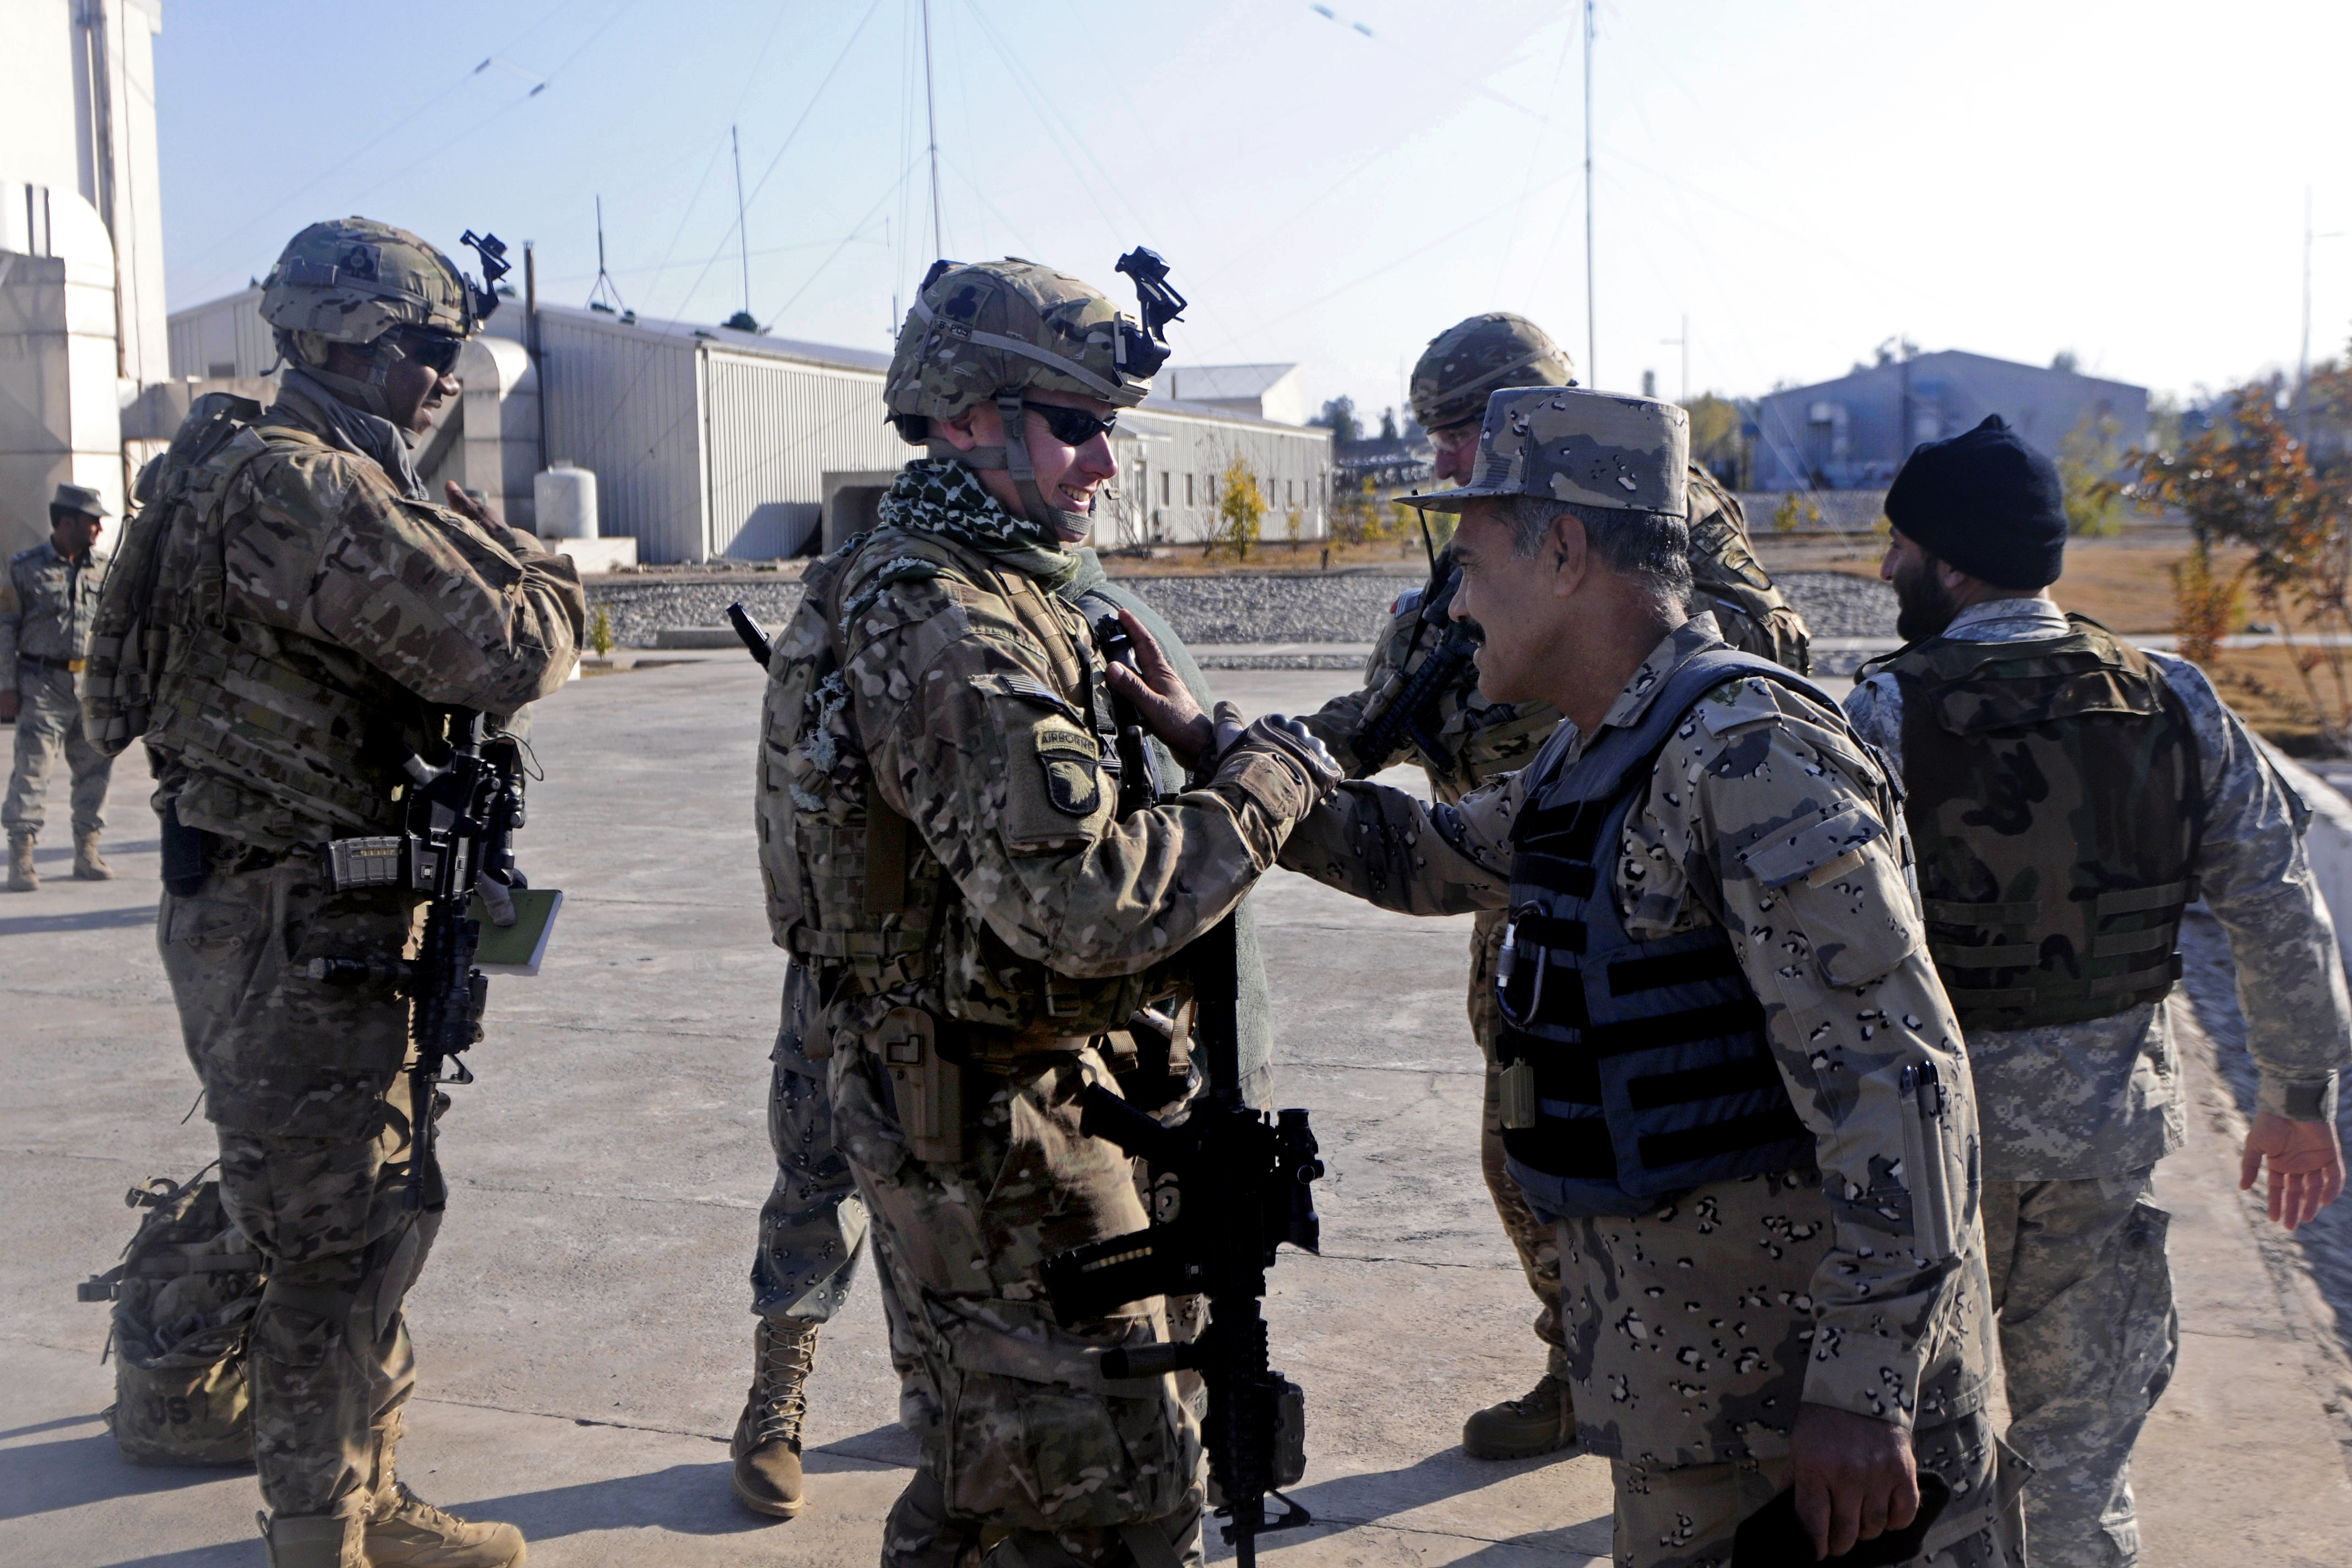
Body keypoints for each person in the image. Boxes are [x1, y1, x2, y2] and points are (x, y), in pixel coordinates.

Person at [1110, 385, 2018, 1568]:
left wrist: (1866, 1389)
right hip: (1697, 1411)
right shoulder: (1596, 754)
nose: (1458, 595)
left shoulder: (1750, 753)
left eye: (1473, 556)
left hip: (1819, 1436)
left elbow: (1905, 1081)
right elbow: (1417, 853)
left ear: (1567, 550)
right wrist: (1216, 746)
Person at [753, 255, 1340, 1568]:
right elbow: (1079, 901)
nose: (1105, 465)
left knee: (1027, 1482)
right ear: (967, 416)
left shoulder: (1019, 590)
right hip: (982, 1110)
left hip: (1052, 1082)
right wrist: (1259, 785)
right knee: (1089, 1484)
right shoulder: (941, 614)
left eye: (1110, 428)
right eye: (1075, 425)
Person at [130, 217, 584, 1568]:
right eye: (432, 349)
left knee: (346, 1206)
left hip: (282, 905)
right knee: (332, 1239)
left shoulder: (255, 463)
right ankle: (326, 1523)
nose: (449, 377)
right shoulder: (304, 486)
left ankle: (331, 1476)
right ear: (353, 342)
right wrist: (540, 574)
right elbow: (505, 649)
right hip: (295, 923)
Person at [1293, 313, 1812, 1461]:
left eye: (1460, 430)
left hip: (1655, 884)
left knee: (1676, 1144)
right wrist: (1265, 759)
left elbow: (1763, 652)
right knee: (1528, 1147)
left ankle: (1698, 1382)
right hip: (1511, 885)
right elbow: (1382, 716)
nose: (1438, 460)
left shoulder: (1664, 508)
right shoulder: (1470, 556)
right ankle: (1581, 1362)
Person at [1845, 414, 2351, 1568]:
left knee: (1933, 1455)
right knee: (2079, 1453)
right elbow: (2275, 901)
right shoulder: (2173, 698)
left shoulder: (1883, 710)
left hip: (1935, 1156)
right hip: (2103, 1137)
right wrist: (2299, 1090)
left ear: (1955, 560)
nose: (1885, 566)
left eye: (1901, 545)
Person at [729, 505, 1289, 1525]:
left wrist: (1226, 1041)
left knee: (1151, 1232)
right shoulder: (922, 613)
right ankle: (777, 1393)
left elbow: (1183, 877)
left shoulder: (1114, 620)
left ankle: (1164, 1390)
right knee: (812, 1171)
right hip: (868, 982)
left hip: (1074, 1020)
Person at [3, 482, 116, 890]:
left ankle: (87, 851)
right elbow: (4, 629)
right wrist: (6, 686)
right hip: (41, 684)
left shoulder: (105, 569)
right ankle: (22, 857)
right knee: (32, 773)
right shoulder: (23, 567)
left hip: (90, 686)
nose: (98, 530)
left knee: (95, 773)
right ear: (67, 521)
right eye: (92, 521)